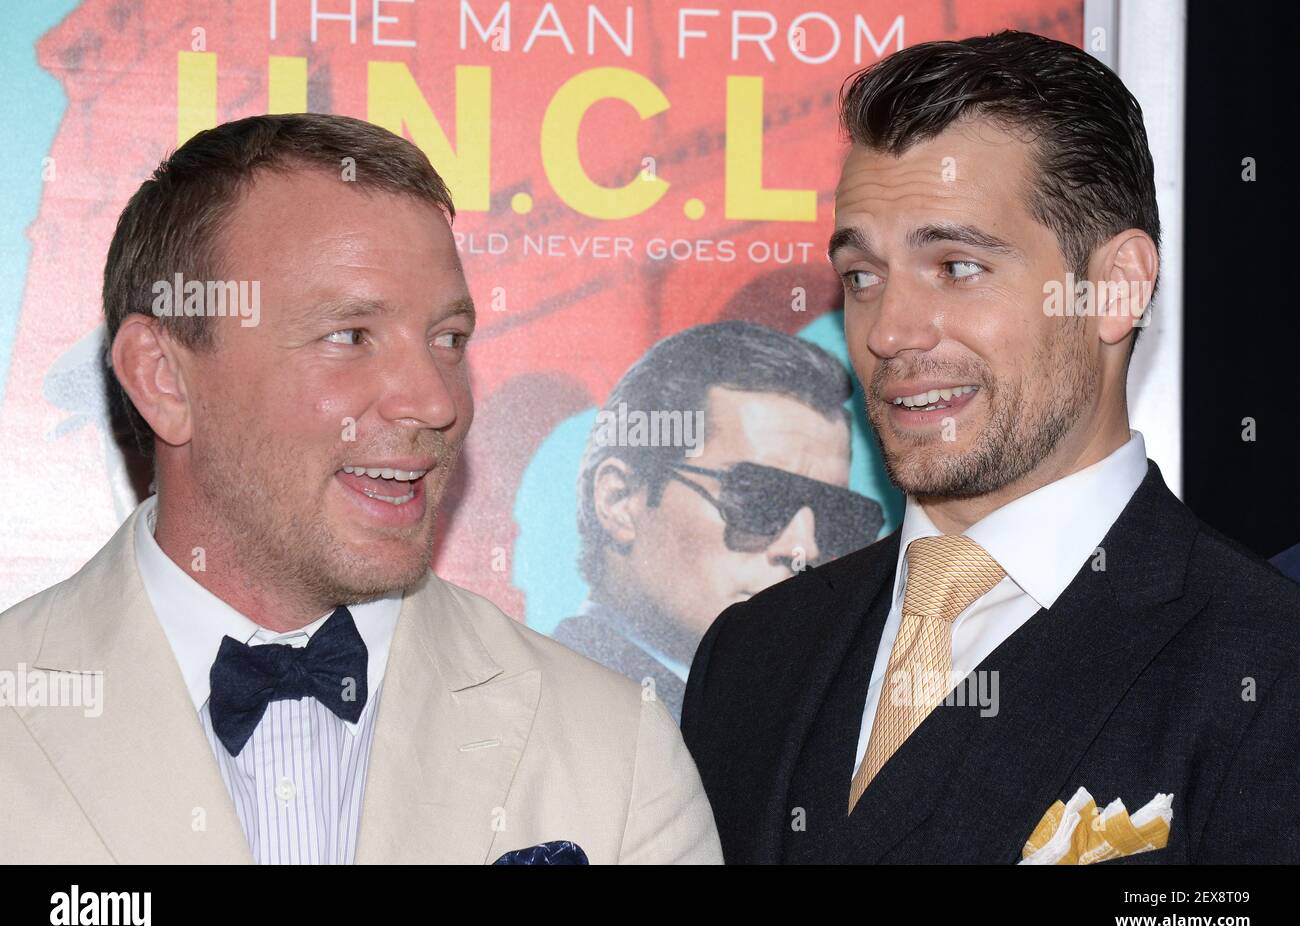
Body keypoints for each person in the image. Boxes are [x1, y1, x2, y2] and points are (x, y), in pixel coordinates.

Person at [0, 113, 721, 864]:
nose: (436, 401)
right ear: (164, 377)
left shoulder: (615, 749)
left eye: (448, 339)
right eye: (350, 335)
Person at [680, 31, 1300, 864]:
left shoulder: (1268, 665)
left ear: (1117, 286)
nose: (890, 330)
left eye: (957, 265)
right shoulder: (753, 655)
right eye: (862, 276)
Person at [555, 321, 882, 721]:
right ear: (619, 499)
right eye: (759, 496)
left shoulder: (808, 727)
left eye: (835, 514)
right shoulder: (555, 717)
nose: (803, 549)